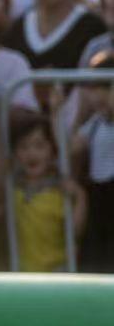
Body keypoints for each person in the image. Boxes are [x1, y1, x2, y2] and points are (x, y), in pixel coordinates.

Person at [6, 110, 85, 273]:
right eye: (23, 147)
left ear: (52, 152)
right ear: (15, 153)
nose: (31, 154)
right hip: (22, 271)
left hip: (57, 270)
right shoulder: (13, 187)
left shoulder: (60, 189)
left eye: (39, 146)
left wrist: (80, 197)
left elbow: (74, 232)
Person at [71, 52, 114, 272]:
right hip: (99, 196)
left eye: (106, 87)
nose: (99, 95)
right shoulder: (95, 123)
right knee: (96, 258)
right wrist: (57, 112)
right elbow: (72, 147)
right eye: (94, 88)